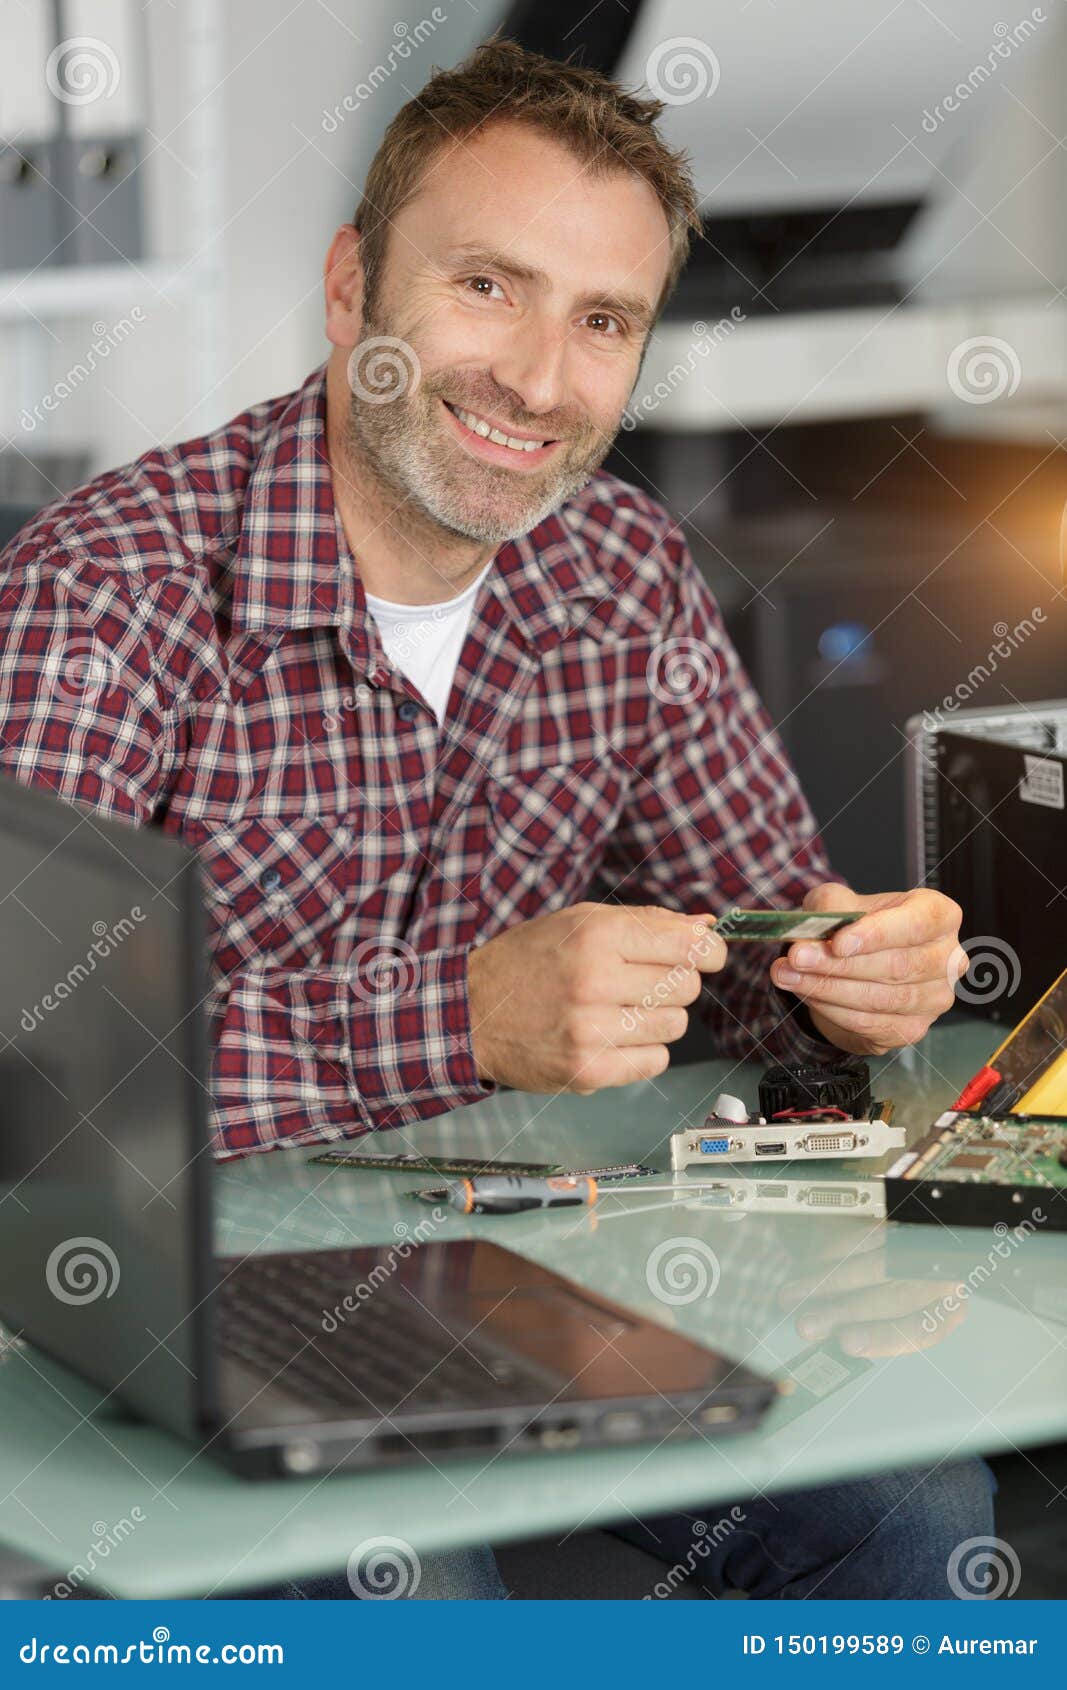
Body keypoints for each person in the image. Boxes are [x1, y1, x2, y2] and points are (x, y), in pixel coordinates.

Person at [0, 39, 989, 1599]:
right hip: (160, 1318)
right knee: (415, 1595)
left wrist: (843, 973)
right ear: (352, 292)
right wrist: (462, 1017)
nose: (541, 377)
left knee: (921, 1506)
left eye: (603, 320)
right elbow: (32, 1087)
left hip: (521, 1268)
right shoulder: (104, 593)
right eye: (487, 287)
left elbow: (742, 949)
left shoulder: (624, 568)